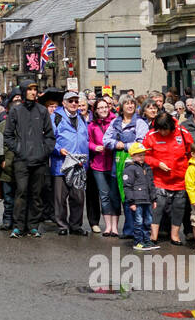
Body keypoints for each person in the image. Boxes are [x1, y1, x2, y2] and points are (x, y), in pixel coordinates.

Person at [4, 80, 52, 238]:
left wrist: (43, 152)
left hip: (39, 161)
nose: (33, 92)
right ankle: (18, 226)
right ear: (24, 91)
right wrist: (19, 150)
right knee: (21, 192)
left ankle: (33, 226)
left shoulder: (42, 111)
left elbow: (50, 136)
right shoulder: (16, 111)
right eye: (30, 89)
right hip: (21, 161)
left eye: (35, 89)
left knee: (36, 194)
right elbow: (8, 136)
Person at [144, 111, 193, 247]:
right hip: (159, 180)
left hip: (180, 180)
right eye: (159, 129)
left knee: (178, 208)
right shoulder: (151, 135)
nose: (162, 132)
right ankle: (153, 235)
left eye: (164, 129)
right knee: (157, 208)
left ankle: (175, 235)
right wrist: (157, 163)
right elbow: (145, 156)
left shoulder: (182, 133)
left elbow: (190, 153)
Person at [104, 94, 149, 239]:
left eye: (132, 103)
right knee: (117, 196)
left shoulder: (140, 123)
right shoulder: (115, 122)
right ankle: (124, 228)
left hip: (133, 165)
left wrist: (124, 145)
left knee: (132, 196)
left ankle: (133, 230)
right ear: (121, 107)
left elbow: (141, 142)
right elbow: (106, 139)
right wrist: (115, 144)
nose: (130, 106)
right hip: (116, 164)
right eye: (127, 103)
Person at [51, 90, 89, 236]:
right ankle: (62, 225)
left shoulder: (82, 118)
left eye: (76, 101)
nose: (74, 104)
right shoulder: (56, 117)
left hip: (79, 164)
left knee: (78, 197)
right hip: (61, 163)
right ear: (64, 103)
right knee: (60, 198)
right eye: (70, 101)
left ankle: (76, 225)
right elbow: (49, 139)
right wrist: (58, 150)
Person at [88, 96, 120, 237]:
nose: (103, 110)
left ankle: (115, 227)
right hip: (98, 166)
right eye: (100, 107)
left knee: (115, 195)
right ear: (95, 110)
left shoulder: (116, 122)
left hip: (113, 163)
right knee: (104, 196)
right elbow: (87, 142)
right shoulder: (92, 125)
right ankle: (107, 227)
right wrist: (95, 147)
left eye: (105, 107)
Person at [122, 142, 158, 251]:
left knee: (148, 221)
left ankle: (147, 240)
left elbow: (151, 184)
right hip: (136, 201)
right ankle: (138, 242)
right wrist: (131, 202)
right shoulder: (130, 168)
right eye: (139, 155)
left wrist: (154, 199)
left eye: (143, 154)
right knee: (138, 221)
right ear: (132, 156)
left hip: (147, 200)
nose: (142, 157)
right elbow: (127, 187)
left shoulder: (147, 167)